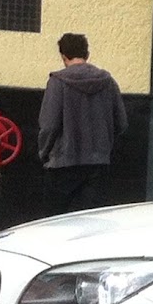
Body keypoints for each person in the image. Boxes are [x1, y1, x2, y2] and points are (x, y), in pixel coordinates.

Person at [37, 33, 128, 216]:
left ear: (63, 56)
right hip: (98, 164)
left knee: (56, 223)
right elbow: (122, 123)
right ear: (87, 54)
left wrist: (44, 152)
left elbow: (49, 125)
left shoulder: (57, 82)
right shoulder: (108, 82)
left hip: (62, 164)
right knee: (89, 223)